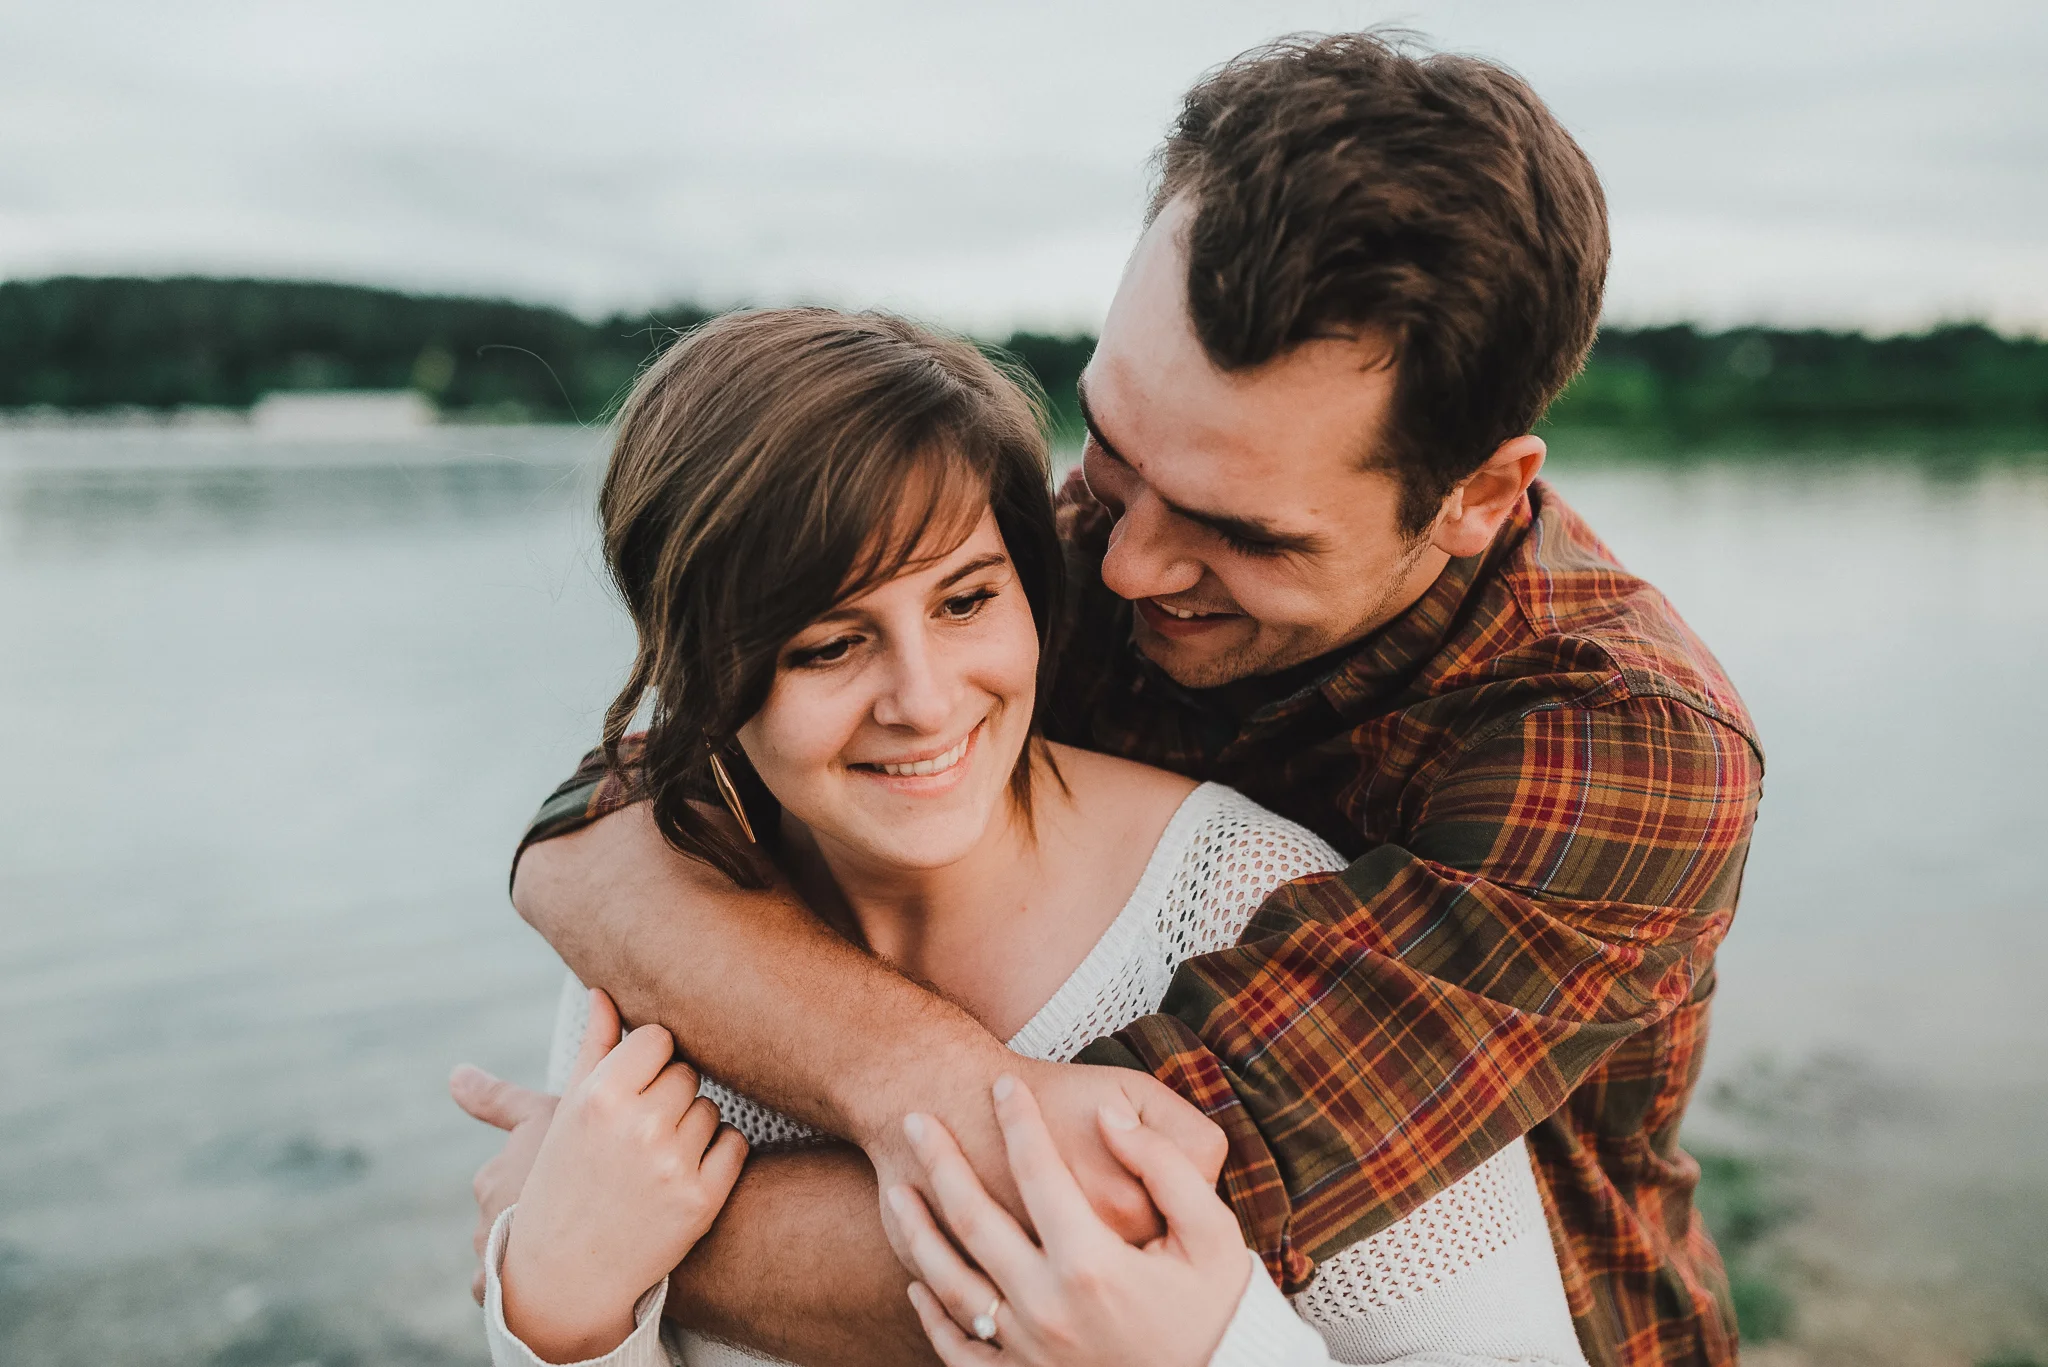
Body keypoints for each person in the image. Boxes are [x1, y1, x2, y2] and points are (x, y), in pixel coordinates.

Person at [456, 30, 1762, 1367]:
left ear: (1479, 495)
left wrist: (602, 1240)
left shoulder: (1628, 743)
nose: (1120, 560)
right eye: (1114, 447)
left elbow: (1125, 1219)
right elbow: (604, 818)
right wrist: (920, 1079)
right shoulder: (1039, 569)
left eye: (1243, 533)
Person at [471, 305, 1589, 1367]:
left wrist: (1209, 1348)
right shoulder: (663, 929)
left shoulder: (1242, 900)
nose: (923, 698)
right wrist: (560, 1307)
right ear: (695, 664)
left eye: (964, 601)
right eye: (826, 644)